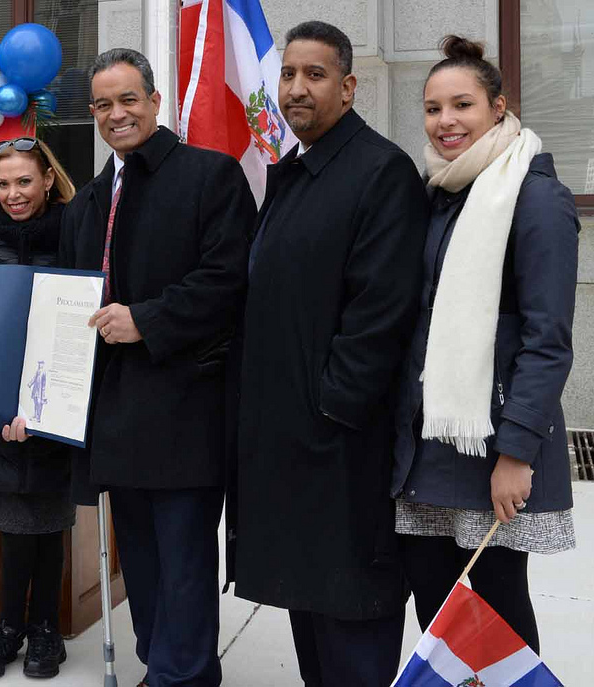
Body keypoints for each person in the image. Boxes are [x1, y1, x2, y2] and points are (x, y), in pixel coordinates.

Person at [233, 21, 429, 686]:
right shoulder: (293, 172)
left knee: (353, 623)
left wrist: (328, 411)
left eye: (314, 75)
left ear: (347, 87)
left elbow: (379, 315)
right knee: (311, 616)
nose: (296, 88)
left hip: (343, 454)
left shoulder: (381, 171)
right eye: (288, 74)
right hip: (289, 448)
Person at [55, 49, 255, 686]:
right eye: (103, 105)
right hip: (114, 413)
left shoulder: (210, 176)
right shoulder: (88, 201)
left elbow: (229, 279)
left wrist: (147, 319)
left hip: (184, 406)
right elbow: (68, 303)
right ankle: (160, 665)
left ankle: (183, 676)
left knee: (184, 558)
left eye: (128, 99)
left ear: (155, 101)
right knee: (139, 561)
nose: (116, 114)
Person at [392, 35, 579, 654]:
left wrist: (517, 453)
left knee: (498, 618)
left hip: (492, 444)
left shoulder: (535, 197)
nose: (445, 121)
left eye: (462, 105)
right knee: (440, 619)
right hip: (427, 447)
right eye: (433, 108)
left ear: (498, 107)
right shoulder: (437, 193)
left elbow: (547, 339)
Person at [0, 136, 77, 680]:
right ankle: (8, 626)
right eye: (2, 184)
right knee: (10, 521)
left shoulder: (75, 231)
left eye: (24, 181)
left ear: (48, 180)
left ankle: (45, 628)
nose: (13, 194)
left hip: (56, 396)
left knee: (49, 519)